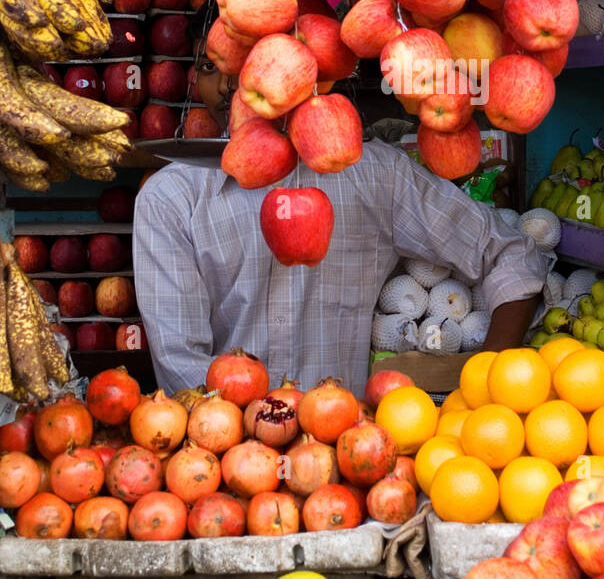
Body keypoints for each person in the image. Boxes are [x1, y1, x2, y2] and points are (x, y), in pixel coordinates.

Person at [133, 68, 548, 394]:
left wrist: (490, 383)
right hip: (229, 465)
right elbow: (180, 366)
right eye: (209, 66)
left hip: (351, 453)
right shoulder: (172, 200)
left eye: (247, 65)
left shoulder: (377, 177)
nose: (227, 85)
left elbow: (510, 254)